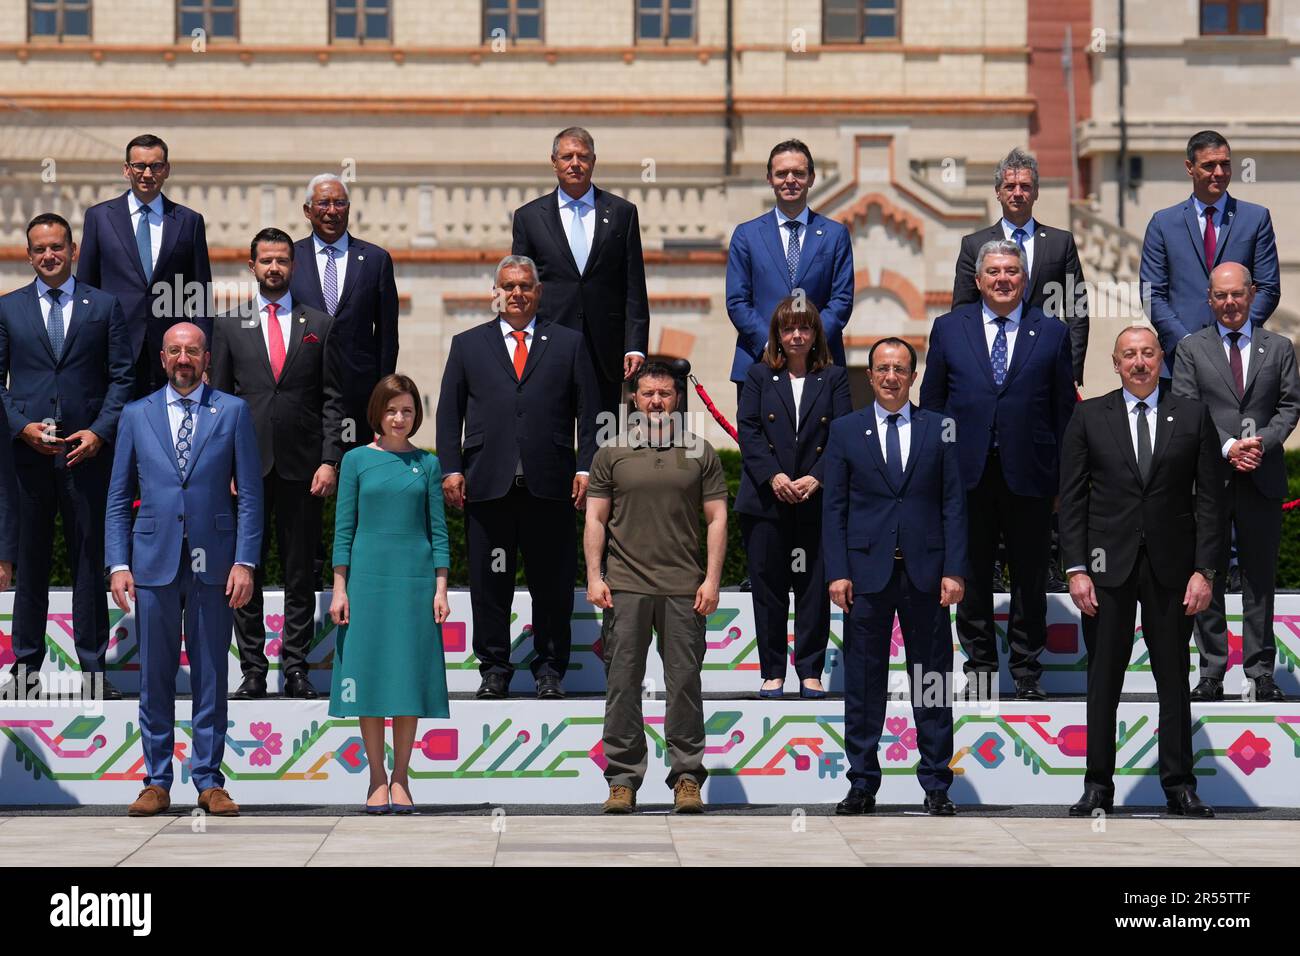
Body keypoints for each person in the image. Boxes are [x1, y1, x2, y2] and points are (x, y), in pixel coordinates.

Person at [1061, 325, 1224, 818]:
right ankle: (1097, 787)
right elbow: (1071, 499)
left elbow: (1212, 502)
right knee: (1103, 681)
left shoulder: (1193, 415)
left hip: (1173, 571)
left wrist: (1205, 572)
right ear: (1114, 363)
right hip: (1105, 568)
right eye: (1128, 354)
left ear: (1161, 359)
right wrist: (1075, 568)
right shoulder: (1089, 415)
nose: (1138, 362)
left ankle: (1179, 787)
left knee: (1172, 679)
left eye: (1147, 353)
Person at [106, 323, 263, 818]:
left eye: (191, 351)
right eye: (174, 350)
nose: (183, 358)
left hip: (215, 564)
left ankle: (209, 780)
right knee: (154, 675)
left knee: (212, 674)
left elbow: (251, 498)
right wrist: (118, 563)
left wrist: (245, 561)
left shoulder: (233, 411)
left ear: (206, 357)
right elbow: (115, 498)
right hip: (152, 562)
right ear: (161, 357)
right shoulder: (136, 414)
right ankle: (155, 780)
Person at [436, 255, 599, 700]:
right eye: (508, 286)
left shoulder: (567, 343)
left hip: (552, 486)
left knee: (553, 584)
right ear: (496, 292)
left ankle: (550, 670)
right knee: (491, 586)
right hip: (488, 485)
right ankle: (494, 669)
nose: (517, 293)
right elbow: (448, 414)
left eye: (525, 285)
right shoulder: (468, 345)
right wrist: (451, 467)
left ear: (538, 292)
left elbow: (590, 412)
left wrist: (586, 465)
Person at [920, 239, 1075, 700]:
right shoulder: (948, 329)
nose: (1003, 279)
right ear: (978, 279)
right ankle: (981, 671)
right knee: (971, 576)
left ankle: (1027, 672)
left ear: (1024, 279)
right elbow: (932, 405)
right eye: (994, 272)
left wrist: (1064, 480)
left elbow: (1063, 410)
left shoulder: (1051, 331)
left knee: (1030, 577)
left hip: (1031, 474)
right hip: (966, 475)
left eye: (1011, 271)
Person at [824, 338, 967, 816]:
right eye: (882, 368)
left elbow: (953, 503)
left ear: (914, 376)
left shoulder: (941, 428)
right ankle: (862, 783)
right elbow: (835, 508)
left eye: (900, 369)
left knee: (932, 680)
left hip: (927, 574)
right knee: (864, 683)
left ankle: (936, 785)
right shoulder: (845, 431)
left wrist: (954, 569)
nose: (890, 376)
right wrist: (837, 572)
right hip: (865, 575)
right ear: (870, 376)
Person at [0, 213, 133, 701]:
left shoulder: (104, 305)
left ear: (73, 250)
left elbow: (122, 378)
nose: (48, 256)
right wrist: (21, 426)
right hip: (28, 457)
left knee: (88, 561)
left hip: (87, 455)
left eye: (57, 247)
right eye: (39, 249)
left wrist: (100, 432)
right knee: (31, 562)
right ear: (28, 254)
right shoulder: (8, 308)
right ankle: (26, 670)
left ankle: (95, 670)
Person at [210, 227, 345, 701]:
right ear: (252, 267)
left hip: (304, 469)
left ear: (294, 266)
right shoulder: (227, 326)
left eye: (283, 260)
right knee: (244, 568)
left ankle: (296, 666)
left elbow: (333, 400)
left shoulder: (319, 325)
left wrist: (331, 459)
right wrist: (221, 465)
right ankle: (251, 669)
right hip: (243, 471)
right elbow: (219, 402)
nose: (275, 267)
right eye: (266, 260)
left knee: (299, 574)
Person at [586, 363, 728, 814]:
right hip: (625, 587)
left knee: (684, 684)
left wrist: (711, 579)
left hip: (685, 589)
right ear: (634, 398)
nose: (656, 401)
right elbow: (595, 518)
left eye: (665, 393)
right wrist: (594, 576)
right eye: (647, 393)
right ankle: (622, 781)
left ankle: (686, 777)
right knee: (622, 685)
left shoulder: (700, 452)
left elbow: (717, 519)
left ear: (677, 398)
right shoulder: (612, 452)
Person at [1172, 263, 1300, 702]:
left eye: (1237, 294)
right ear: (1210, 299)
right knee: (1206, 574)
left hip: (1262, 477)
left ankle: (1261, 672)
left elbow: (1289, 406)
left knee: (1259, 578)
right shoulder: (1191, 349)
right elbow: (1187, 407)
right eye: (1220, 296)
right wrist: (1228, 446)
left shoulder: (1280, 347)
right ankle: (1210, 672)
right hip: (1209, 479)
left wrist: (1261, 443)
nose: (1229, 303)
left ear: (1252, 295)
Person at [329, 375, 450, 814]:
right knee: (369, 675)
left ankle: (402, 777)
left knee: (406, 676)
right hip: (367, 579)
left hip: (415, 581)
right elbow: (344, 529)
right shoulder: (356, 460)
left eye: (408, 411)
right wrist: (339, 588)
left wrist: (441, 587)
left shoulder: (429, 464)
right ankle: (376, 777)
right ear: (377, 413)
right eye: (392, 410)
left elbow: (438, 529)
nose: (400, 418)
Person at [735, 297, 851, 699]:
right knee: (768, 588)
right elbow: (748, 432)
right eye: (789, 329)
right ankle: (771, 672)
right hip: (767, 502)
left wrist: (816, 478)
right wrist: (775, 476)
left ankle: (810, 671)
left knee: (813, 587)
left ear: (816, 333)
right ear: (778, 336)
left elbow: (842, 434)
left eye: (804, 328)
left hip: (815, 501)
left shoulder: (834, 377)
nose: (797, 335)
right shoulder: (757, 376)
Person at [511, 127, 649, 417]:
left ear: (594, 161)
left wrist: (635, 346)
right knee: (550, 434)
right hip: (548, 344)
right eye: (567, 156)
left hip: (605, 349)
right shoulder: (529, 217)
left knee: (601, 436)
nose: (575, 163)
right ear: (554, 162)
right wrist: (518, 338)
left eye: (582, 156)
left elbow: (634, 285)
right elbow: (518, 286)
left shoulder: (623, 212)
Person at [77, 133, 212, 396]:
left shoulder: (189, 221)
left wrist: (206, 356)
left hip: (172, 352)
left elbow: (201, 294)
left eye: (156, 166)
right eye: (139, 165)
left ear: (167, 170)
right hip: (114, 347)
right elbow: (86, 290)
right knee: (117, 430)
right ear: (126, 169)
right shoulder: (99, 217)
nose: (147, 173)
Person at [726, 139, 854, 401]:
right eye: (781, 173)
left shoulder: (835, 234)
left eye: (799, 173)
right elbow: (738, 301)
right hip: (760, 362)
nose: (790, 180)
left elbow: (842, 300)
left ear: (812, 178)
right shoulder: (746, 235)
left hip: (821, 363)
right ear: (769, 179)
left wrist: (809, 342)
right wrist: (771, 343)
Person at [952, 147, 1089, 386]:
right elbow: (962, 310)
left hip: (1046, 363)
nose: (1017, 193)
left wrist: (1072, 370)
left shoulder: (1060, 243)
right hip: (992, 361)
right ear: (997, 192)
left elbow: (1077, 310)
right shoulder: (974, 245)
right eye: (1010, 187)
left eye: (1025, 187)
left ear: (1036, 192)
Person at [1141, 130, 1280, 364]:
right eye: (1209, 165)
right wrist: (1186, 341)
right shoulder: (1162, 223)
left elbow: (1268, 288)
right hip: (1179, 360)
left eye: (1225, 164)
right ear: (1189, 167)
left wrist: (1234, 333)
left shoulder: (1256, 218)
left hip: (1240, 355)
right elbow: (1150, 294)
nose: (1219, 173)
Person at [290, 173, 399, 452]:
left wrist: (383, 395)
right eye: (323, 203)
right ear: (307, 210)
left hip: (358, 393)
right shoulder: (290, 258)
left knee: (353, 481)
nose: (332, 211)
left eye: (340, 203)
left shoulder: (375, 259)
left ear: (349, 208)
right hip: (302, 391)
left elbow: (387, 335)